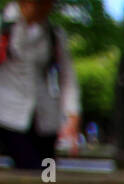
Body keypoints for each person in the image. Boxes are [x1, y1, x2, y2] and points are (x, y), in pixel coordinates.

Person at [0, 0, 79, 171]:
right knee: (32, 169)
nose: (47, 8)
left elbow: (67, 77)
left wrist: (72, 115)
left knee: (49, 171)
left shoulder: (54, 34)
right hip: (9, 116)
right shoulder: (4, 26)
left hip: (45, 119)